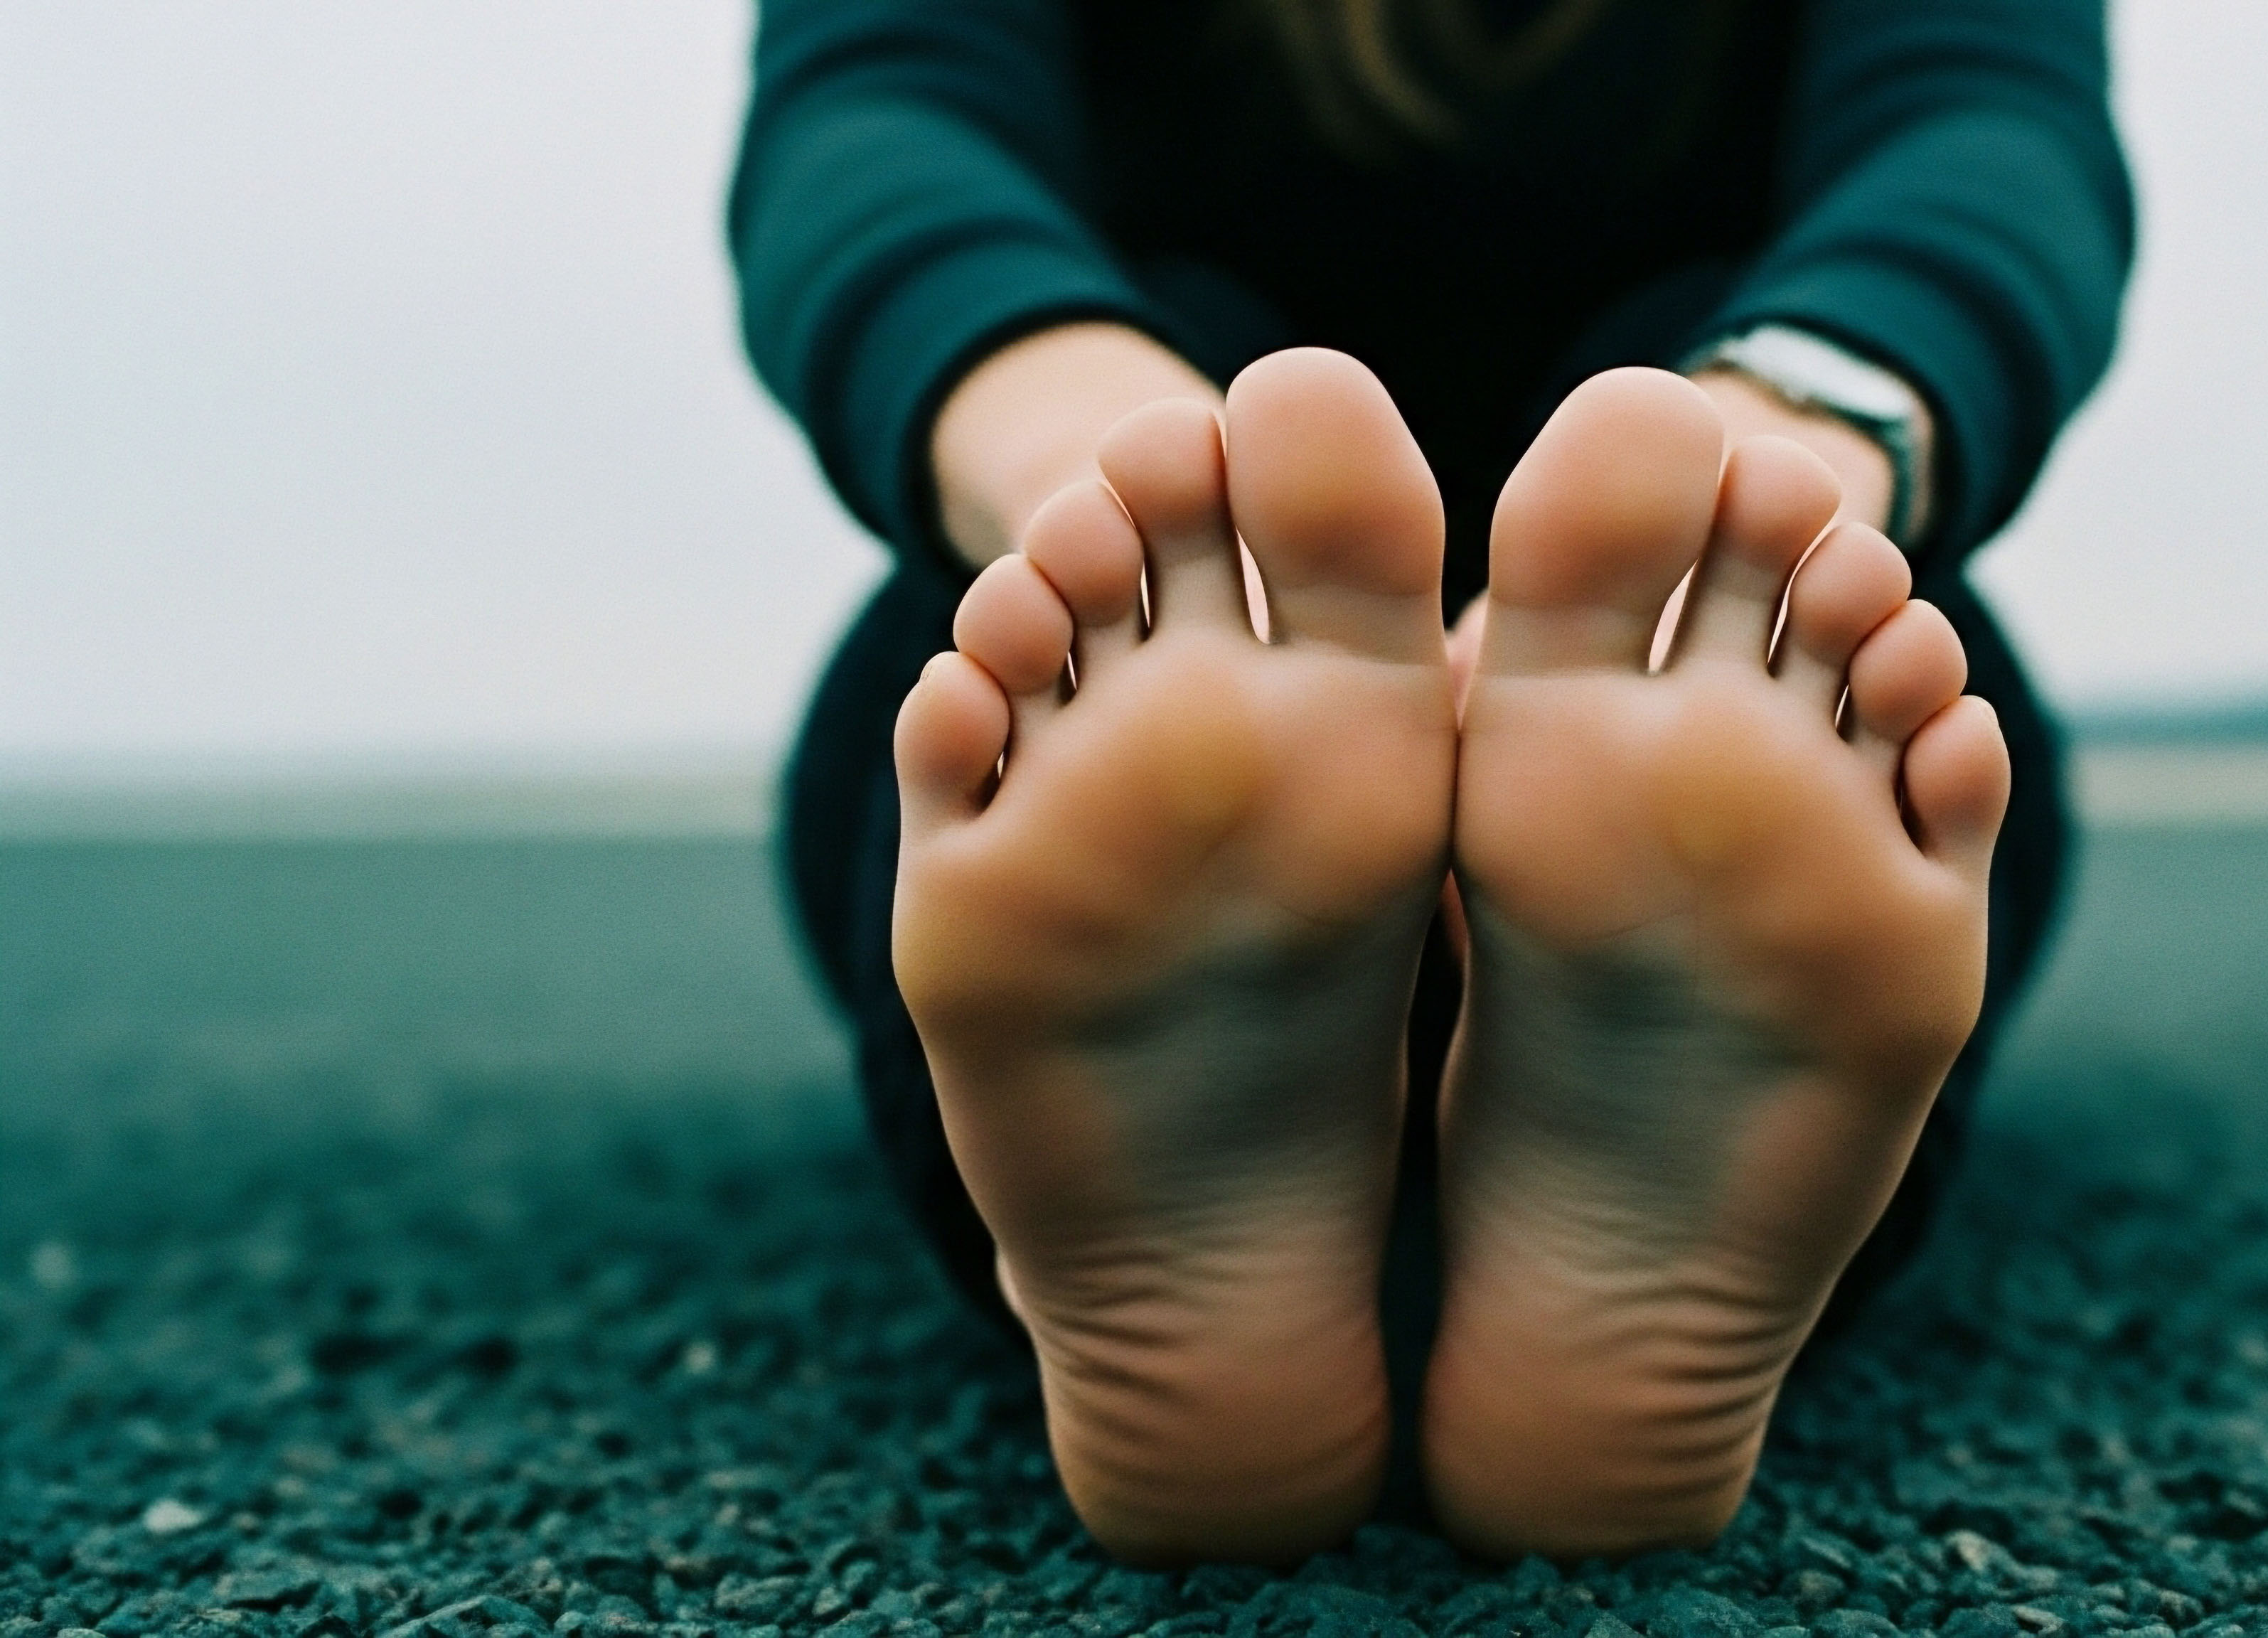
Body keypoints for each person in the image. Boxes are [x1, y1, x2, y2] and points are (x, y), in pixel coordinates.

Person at [731, 0, 2131, 1568]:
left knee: (992, 725)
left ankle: (1199, 1265)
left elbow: (1983, 129)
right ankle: (1626, 1237)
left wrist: (1763, 450)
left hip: (1663, 620)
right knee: (1864, 714)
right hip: (1216, 594)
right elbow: (885, 111)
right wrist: (1104, 463)